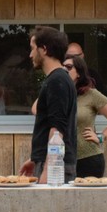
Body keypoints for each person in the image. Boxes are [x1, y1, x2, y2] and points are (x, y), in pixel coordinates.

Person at [24, 26, 77, 183]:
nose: (30, 54)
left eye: (33, 49)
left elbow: (57, 129)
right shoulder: (57, 78)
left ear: (44, 50)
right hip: (52, 163)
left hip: (56, 167)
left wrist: (48, 170)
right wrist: (34, 158)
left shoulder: (57, 80)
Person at [63, 55, 107, 178]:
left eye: (69, 67)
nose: (65, 70)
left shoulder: (91, 94)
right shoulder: (59, 94)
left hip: (88, 159)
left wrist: (101, 137)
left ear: (79, 73)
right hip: (62, 159)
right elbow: (35, 109)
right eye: (62, 68)